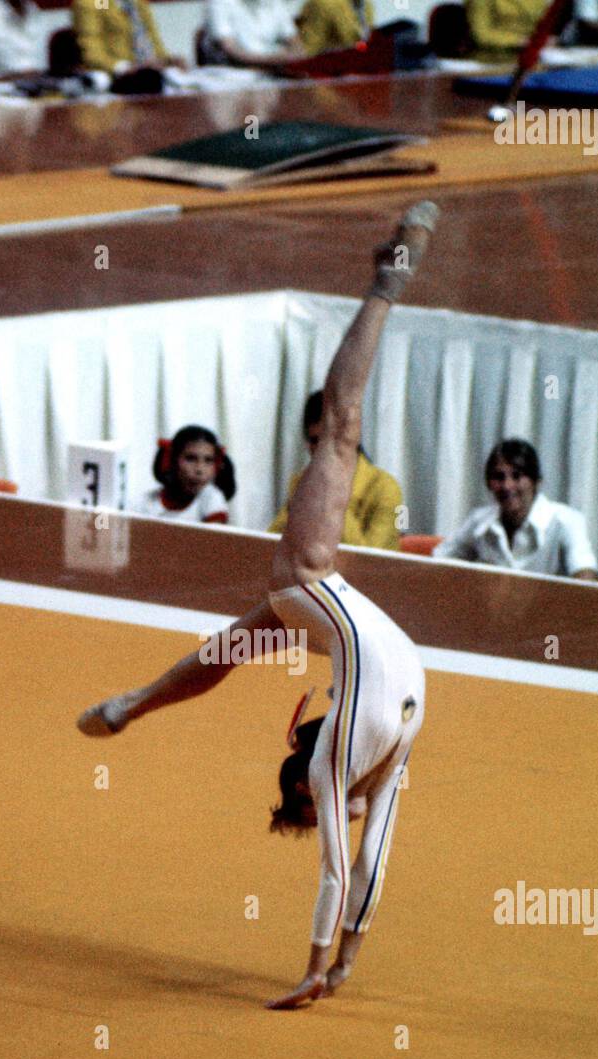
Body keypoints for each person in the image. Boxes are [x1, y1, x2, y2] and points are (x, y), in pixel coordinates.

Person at [78, 201, 440, 1009]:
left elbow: (360, 855)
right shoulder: (355, 759)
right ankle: (389, 280)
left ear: (312, 783)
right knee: (336, 435)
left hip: (365, 637)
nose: (338, 813)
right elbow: (359, 854)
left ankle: (132, 704)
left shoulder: (354, 758)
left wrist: (333, 963)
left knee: (334, 437)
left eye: (320, 807)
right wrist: (329, 966)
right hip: (326, 602)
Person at [433, 438, 598, 579]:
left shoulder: (566, 521)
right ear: (489, 483)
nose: (507, 485)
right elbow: (439, 561)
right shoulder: (479, 521)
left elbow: (585, 572)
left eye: (517, 476)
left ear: (536, 482)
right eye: (499, 477)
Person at [269, 391, 402, 551]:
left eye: (330, 440)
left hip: (362, 575)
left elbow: (369, 561)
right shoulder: (302, 481)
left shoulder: (386, 488)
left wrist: (332, 496)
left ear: (353, 437)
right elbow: (270, 545)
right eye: (315, 441)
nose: (322, 450)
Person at [138, 426, 235, 524]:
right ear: (171, 460)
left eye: (208, 460)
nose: (199, 469)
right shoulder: (146, 502)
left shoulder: (212, 498)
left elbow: (213, 538)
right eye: (191, 459)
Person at [71, 0, 185, 80]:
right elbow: (92, 54)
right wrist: (128, 68)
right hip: (119, 79)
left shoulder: (138, 3)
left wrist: (168, 61)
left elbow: (152, 40)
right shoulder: (99, 3)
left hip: (155, 76)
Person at [199, 0, 303, 68]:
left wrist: (291, 57)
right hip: (232, 74)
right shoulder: (219, 3)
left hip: (272, 72)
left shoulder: (275, 3)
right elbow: (231, 50)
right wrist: (275, 58)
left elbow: (296, 45)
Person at [295, 0, 373, 55]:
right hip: (321, 67)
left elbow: (365, 43)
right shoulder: (323, 4)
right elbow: (308, 51)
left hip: (355, 64)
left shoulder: (366, 6)